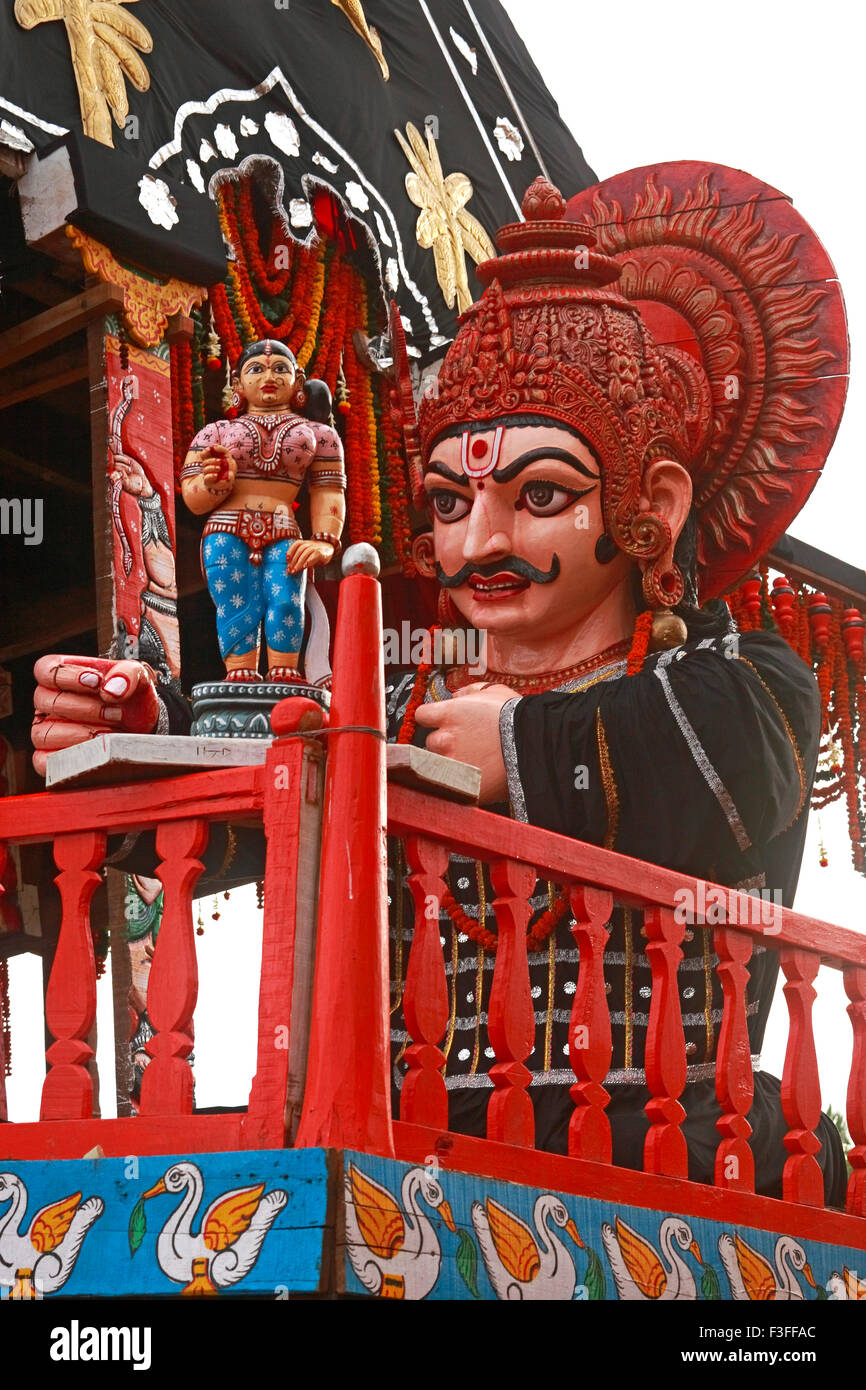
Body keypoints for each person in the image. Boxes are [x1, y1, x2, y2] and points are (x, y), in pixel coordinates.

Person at [31, 176, 847, 1202]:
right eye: (451, 502)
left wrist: (516, 751)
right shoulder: (406, 689)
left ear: (655, 503)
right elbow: (289, 760)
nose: (480, 543)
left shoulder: (734, 680)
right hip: (405, 1139)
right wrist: (149, 729)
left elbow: (730, 764)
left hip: (654, 1147)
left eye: (538, 495)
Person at [180, 339, 346, 684]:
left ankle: (285, 674)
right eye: (256, 369)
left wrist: (325, 540)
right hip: (225, 530)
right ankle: (240, 676)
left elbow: (328, 490)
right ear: (237, 385)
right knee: (236, 607)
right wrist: (216, 484)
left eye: (280, 369)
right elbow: (191, 496)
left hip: (284, 531)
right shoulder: (216, 433)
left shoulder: (320, 436)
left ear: (298, 383)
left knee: (286, 602)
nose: (268, 376)